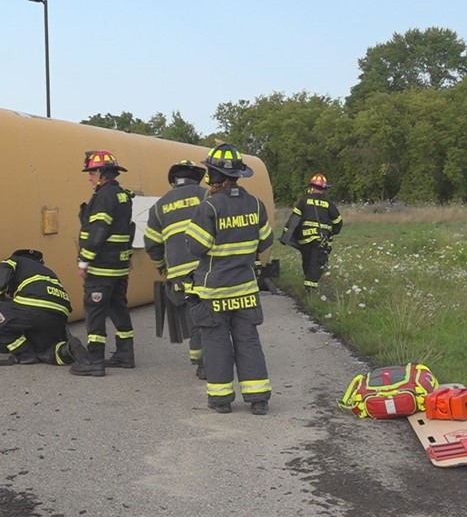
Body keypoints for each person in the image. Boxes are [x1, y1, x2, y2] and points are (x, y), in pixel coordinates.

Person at [184, 143, 275, 415]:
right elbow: (265, 241)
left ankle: (221, 400)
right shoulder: (256, 204)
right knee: (248, 342)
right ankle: (258, 399)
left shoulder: (209, 207)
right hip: (246, 291)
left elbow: (195, 247)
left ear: (213, 175)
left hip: (214, 294)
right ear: (238, 175)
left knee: (217, 345)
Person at [70, 150, 135, 377]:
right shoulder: (123, 196)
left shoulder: (103, 197)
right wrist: (128, 257)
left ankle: (95, 360)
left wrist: (85, 260)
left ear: (101, 173)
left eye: (91, 173)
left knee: (95, 312)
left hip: (101, 268)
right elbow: (127, 230)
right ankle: (125, 354)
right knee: (118, 308)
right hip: (118, 267)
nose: (89, 178)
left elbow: (98, 230)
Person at [144, 159, 209, 379]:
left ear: (174, 180)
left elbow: (152, 243)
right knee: (213, 313)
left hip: (179, 276)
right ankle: (212, 358)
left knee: (193, 316)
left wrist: (162, 267)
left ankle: (200, 360)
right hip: (206, 269)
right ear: (197, 179)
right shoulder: (206, 196)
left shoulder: (159, 206)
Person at [0, 249, 88, 365]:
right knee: (45, 350)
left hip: (35, 305)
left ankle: (25, 354)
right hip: (60, 314)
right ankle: (68, 350)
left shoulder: (16, 260)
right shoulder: (47, 272)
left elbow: (3, 270)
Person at [286, 173, 343, 296]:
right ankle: (311, 293)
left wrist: (287, 235)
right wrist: (331, 232)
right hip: (320, 241)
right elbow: (338, 223)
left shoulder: (303, 202)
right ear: (324, 188)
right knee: (316, 266)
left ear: (311, 187)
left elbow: (293, 220)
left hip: (305, 242)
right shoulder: (328, 203)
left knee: (308, 265)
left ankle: (309, 291)